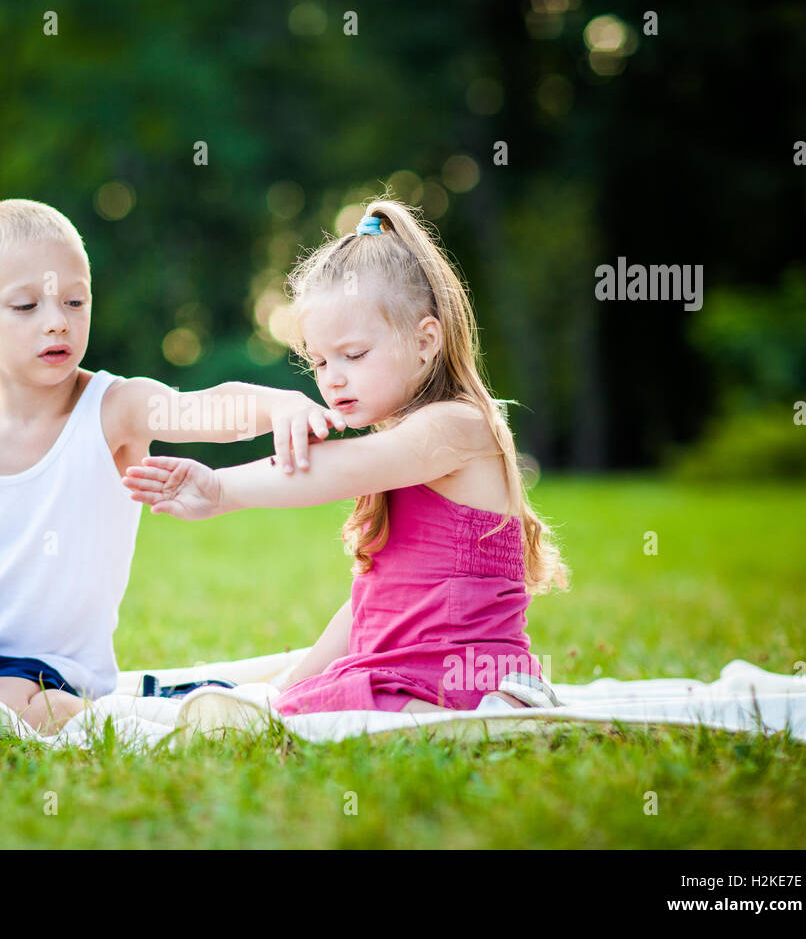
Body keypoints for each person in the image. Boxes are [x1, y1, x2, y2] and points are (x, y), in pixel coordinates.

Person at [0, 198, 343, 735]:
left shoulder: (112, 410)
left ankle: (94, 716)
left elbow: (203, 407)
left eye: (74, 301)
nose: (57, 322)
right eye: (25, 307)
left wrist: (279, 404)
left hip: (47, 673)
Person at [122, 198, 570, 716]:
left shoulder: (460, 425)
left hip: (455, 674)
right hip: (402, 671)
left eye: (353, 355)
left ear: (426, 341)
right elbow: (370, 606)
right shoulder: (401, 452)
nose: (331, 377)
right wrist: (286, 691)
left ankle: (496, 709)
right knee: (292, 701)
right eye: (317, 360)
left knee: (336, 711)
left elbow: (344, 468)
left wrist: (223, 489)